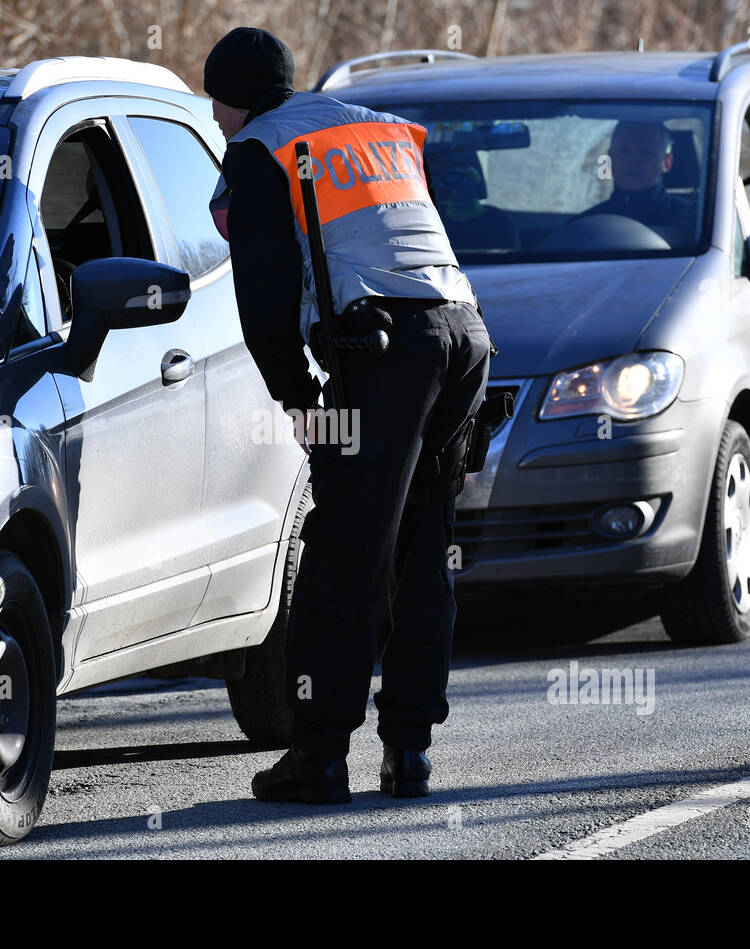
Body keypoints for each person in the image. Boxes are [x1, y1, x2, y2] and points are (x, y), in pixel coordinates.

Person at [205, 27, 493, 803]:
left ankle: (319, 754)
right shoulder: (372, 125)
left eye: (216, 106)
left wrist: (298, 398)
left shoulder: (260, 148)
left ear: (228, 99)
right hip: (464, 334)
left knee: (344, 548)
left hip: (389, 350)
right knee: (421, 543)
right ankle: (409, 751)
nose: (221, 122)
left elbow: (263, 300)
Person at [582, 119, 696, 238]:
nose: (633, 161)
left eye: (645, 152)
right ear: (610, 160)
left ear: (666, 163)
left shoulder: (696, 226)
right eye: (625, 151)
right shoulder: (584, 227)